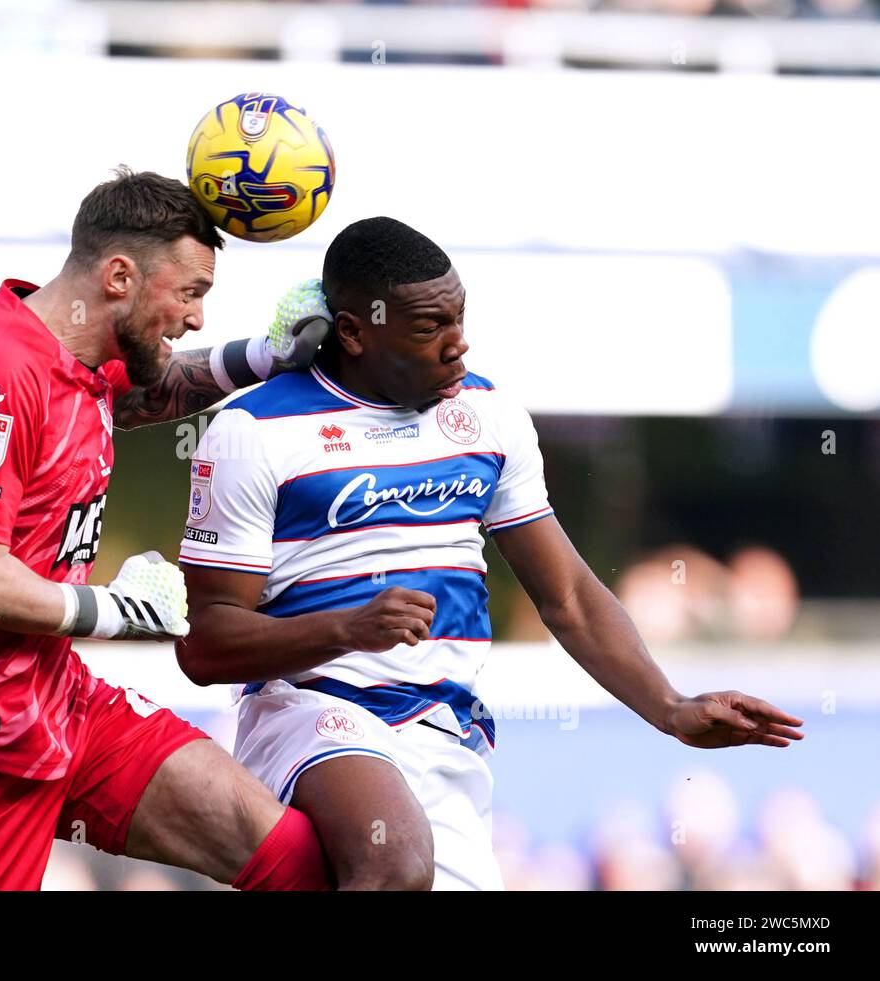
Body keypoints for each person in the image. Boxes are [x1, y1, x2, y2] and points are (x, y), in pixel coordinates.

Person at [175, 216, 805, 890]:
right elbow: (206, 646)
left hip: (446, 731)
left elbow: (567, 597)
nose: (457, 345)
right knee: (394, 859)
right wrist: (345, 629)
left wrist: (671, 707)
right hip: (310, 713)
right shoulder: (251, 430)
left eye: (459, 318)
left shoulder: (488, 415)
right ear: (355, 332)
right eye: (429, 327)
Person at [0, 167, 337, 890]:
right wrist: (118, 610)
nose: (196, 318)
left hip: (55, 699)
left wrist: (271, 356)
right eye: (191, 293)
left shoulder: (74, 358)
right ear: (118, 276)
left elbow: (151, 391)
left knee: (290, 857)